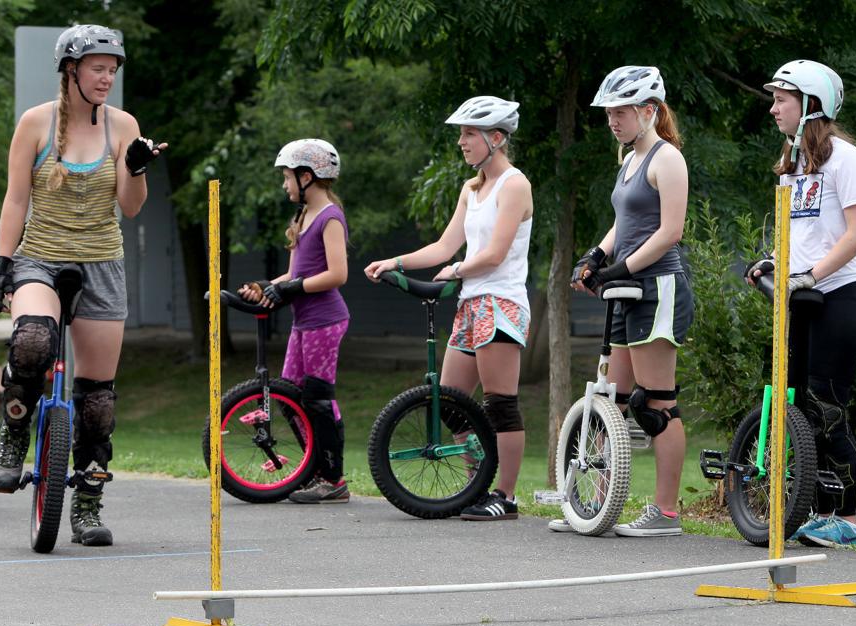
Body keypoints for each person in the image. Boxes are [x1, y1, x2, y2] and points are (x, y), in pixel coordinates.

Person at [0, 25, 166, 547]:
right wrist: (2, 261)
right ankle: (14, 433)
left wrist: (135, 170)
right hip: (40, 258)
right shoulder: (36, 122)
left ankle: (87, 505)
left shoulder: (123, 124)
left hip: (102, 264)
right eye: (98, 68)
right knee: (34, 341)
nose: (107, 78)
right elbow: (16, 198)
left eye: (113, 70)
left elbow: (130, 208)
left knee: (97, 402)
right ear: (71, 69)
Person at [364, 96, 533, 521]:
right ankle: (477, 485)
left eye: (469, 134)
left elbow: (494, 254)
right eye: (460, 134)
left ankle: (506, 497)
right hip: (471, 303)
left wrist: (454, 269)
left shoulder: (515, 184)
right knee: (455, 406)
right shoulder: (472, 188)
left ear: (496, 138)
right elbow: (444, 245)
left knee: (500, 405)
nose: (461, 142)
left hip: (501, 303)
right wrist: (395, 262)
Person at [558, 65, 692, 537]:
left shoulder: (666, 158)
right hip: (628, 288)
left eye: (621, 112)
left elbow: (670, 232)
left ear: (649, 110)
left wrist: (625, 267)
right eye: (609, 112)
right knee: (612, 401)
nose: (613, 120)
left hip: (658, 289)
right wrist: (597, 256)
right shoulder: (629, 159)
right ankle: (594, 505)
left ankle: (666, 514)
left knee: (657, 405)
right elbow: (626, 224)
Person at [747, 60, 856, 547]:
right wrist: (772, 263)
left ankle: (845, 518)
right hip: (800, 296)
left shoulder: (845, 158)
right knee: (792, 406)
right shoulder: (793, 159)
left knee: (827, 409)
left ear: (810, 104)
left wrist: (809, 276)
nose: (774, 108)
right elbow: (799, 235)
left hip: (839, 296)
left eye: (782, 99)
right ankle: (806, 509)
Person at [239, 138, 350, 504]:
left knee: (318, 398)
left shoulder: (330, 217)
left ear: (307, 176)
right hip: (304, 322)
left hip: (325, 320)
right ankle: (312, 469)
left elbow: (337, 274)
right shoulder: (304, 217)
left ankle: (332, 479)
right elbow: (292, 274)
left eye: (287, 177)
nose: (284, 185)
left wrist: (292, 289)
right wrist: (264, 287)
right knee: (289, 396)